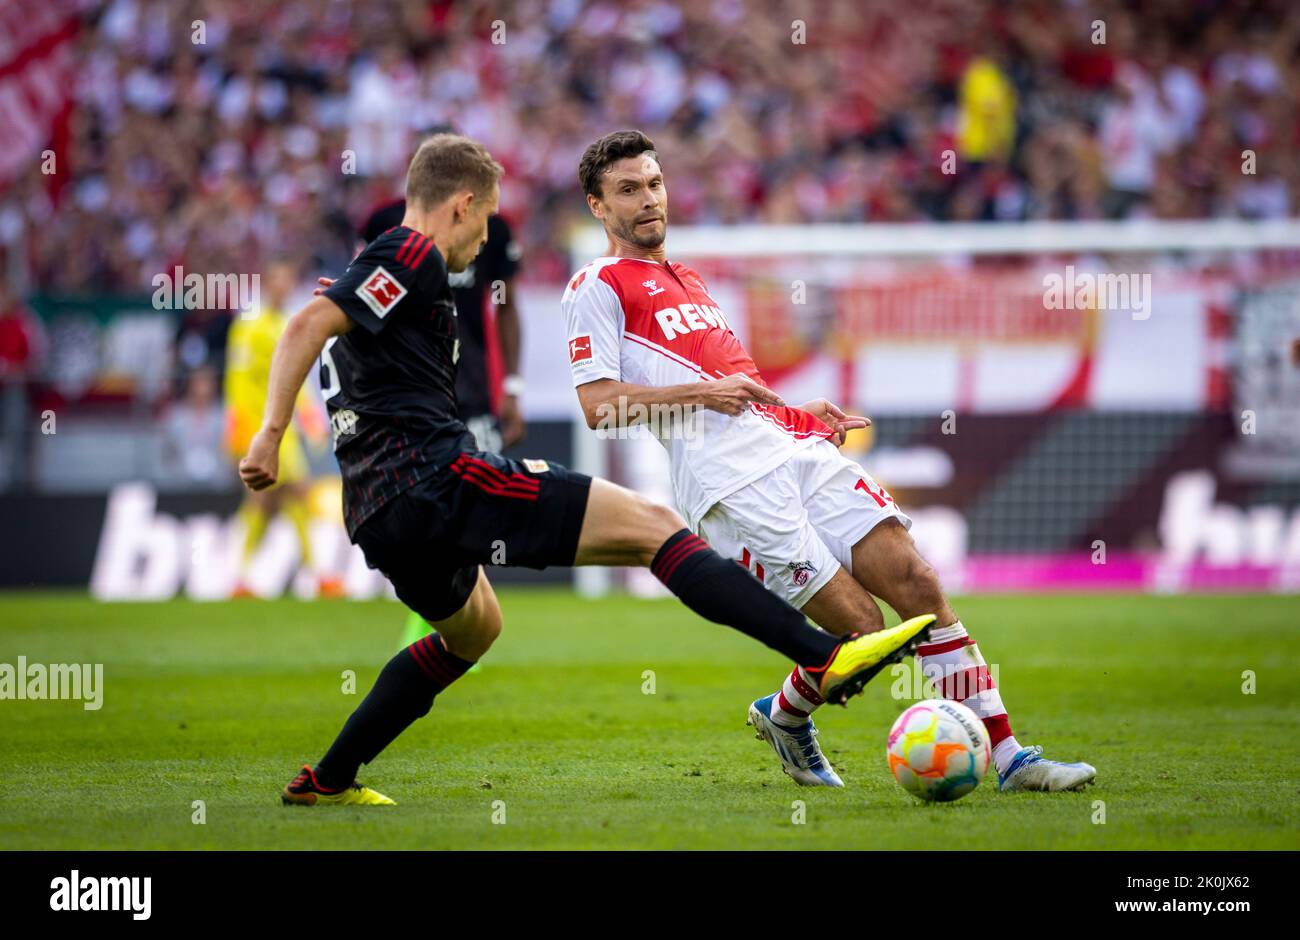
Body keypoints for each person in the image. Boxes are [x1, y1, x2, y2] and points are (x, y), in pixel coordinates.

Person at [238, 133, 934, 806]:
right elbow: (306, 324)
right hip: (435, 480)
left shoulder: (389, 275)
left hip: (378, 512)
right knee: (653, 526)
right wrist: (270, 434)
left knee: (474, 631)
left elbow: (344, 336)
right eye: (484, 223)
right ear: (461, 203)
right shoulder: (413, 250)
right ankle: (818, 654)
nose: (484, 245)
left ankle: (329, 777)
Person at [563, 130, 1095, 792]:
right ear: (597, 205)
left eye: (654, 183)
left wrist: (795, 415)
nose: (647, 200)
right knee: (862, 631)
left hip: (792, 450)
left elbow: (738, 393)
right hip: (731, 484)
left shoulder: (688, 278)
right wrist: (708, 391)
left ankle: (1011, 756)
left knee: (916, 580)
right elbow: (599, 406)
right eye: (627, 190)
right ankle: (786, 716)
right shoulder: (596, 284)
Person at [357, 193, 523, 650]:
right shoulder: (386, 221)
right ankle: (442, 627)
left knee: (474, 508)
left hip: (472, 391)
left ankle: (458, 627)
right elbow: (359, 306)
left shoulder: (494, 227)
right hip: (411, 393)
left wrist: (513, 387)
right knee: (434, 507)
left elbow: (507, 306)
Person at [225, 258, 338, 597]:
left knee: (277, 500)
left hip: (283, 430)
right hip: (261, 431)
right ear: (265, 283)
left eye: (288, 280)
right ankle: (315, 576)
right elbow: (237, 382)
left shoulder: (285, 324)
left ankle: (245, 578)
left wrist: (311, 417)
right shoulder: (248, 327)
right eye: (277, 280)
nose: (283, 287)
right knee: (292, 493)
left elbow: (295, 382)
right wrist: (238, 428)